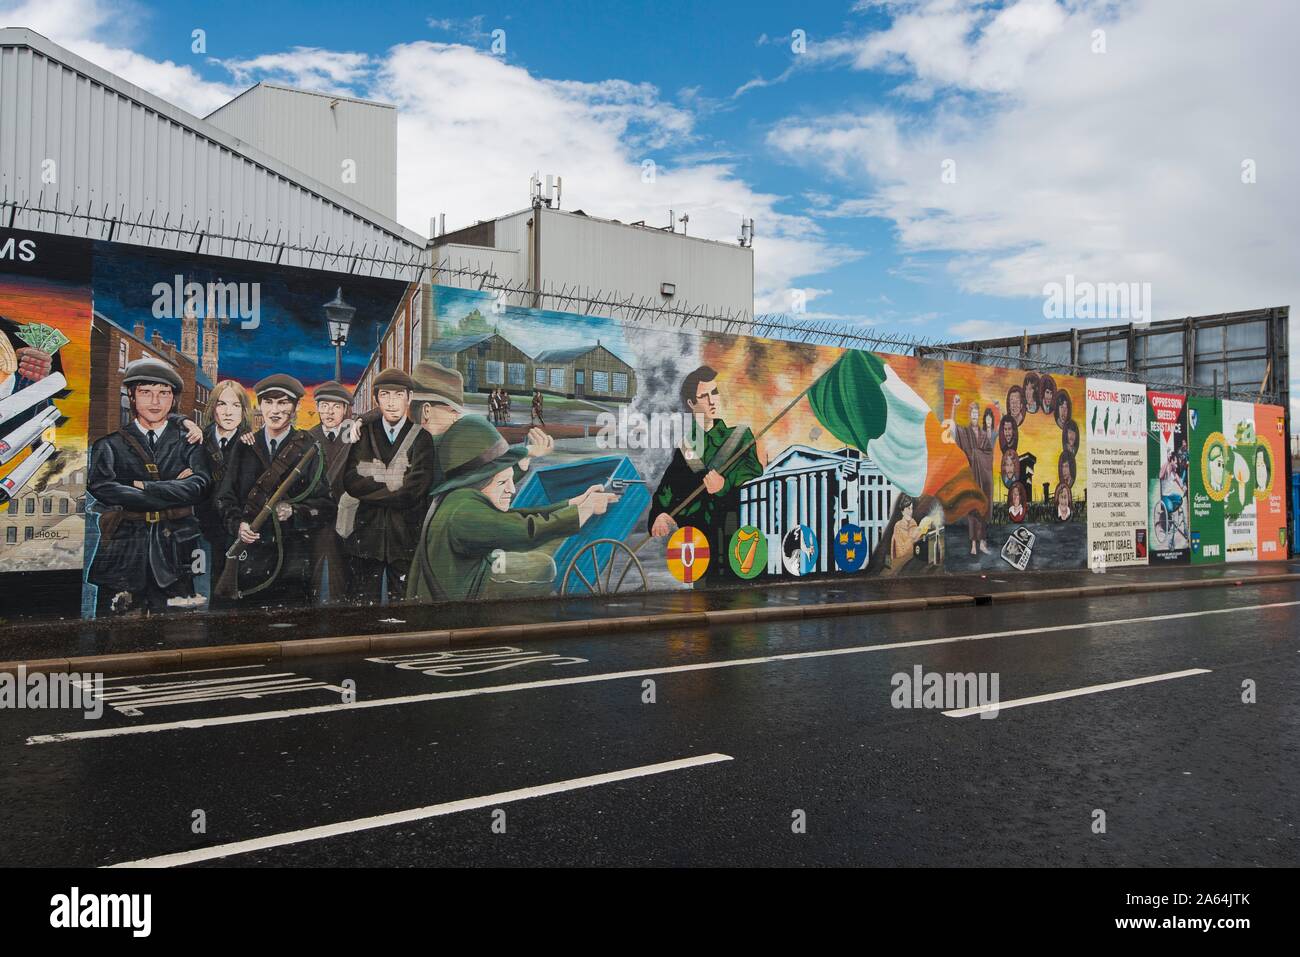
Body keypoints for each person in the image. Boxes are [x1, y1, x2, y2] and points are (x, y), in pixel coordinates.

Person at [407, 416, 617, 602]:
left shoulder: (461, 497)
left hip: (456, 588)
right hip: (458, 602)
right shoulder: (465, 512)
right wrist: (583, 511)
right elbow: (526, 530)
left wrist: (573, 503)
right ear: (479, 482)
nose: (512, 489)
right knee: (543, 566)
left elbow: (518, 516)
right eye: (503, 482)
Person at [86, 358, 211, 616]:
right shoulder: (108, 446)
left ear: (173, 399)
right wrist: (173, 489)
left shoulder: (188, 442)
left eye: (163, 393)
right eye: (146, 392)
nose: (155, 402)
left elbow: (199, 486)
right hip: (125, 550)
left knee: (178, 633)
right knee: (116, 634)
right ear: (131, 396)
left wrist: (144, 487)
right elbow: (103, 488)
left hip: (176, 548)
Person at [216, 374, 334, 605]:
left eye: (283, 402)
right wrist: (237, 524)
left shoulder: (308, 448)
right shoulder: (244, 446)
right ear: (259, 406)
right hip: (250, 558)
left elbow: (327, 505)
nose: (275, 410)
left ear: (296, 407)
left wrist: (295, 511)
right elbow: (225, 497)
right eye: (268, 402)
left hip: (291, 561)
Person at [647, 365, 763, 583]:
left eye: (715, 393)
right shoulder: (686, 449)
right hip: (699, 552)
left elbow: (754, 472)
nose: (712, 401)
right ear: (691, 404)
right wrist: (661, 514)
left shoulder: (740, 437)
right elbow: (667, 491)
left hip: (738, 545)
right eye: (704, 396)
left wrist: (725, 485)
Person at [342, 368, 437, 603]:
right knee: (363, 608)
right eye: (385, 395)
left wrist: (372, 485)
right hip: (366, 537)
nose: (391, 402)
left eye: (398, 395)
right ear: (376, 399)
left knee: (403, 609)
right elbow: (352, 481)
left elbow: (414, 490)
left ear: (409, 398)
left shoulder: (422, 438)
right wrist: (394, 483)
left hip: (404, 538)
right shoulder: (365, 434)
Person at [197, 380, 252, 585]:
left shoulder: (251, 444)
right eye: (222, 404)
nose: (229, 412)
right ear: (213, 408)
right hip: (202, 527)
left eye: (236, 405)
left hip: (234, 527)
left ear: (243, 410)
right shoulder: (198, 440)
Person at [307, 380, 356, 600]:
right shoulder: (308, 437)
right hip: (317, 517)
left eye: (336, 406)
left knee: (344, 574)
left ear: (345, 409)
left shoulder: (353, 434)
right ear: (317, 408)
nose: (329, 412)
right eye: (324, 405)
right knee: (312, 571)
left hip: (348, 517)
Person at [950, 395, 994, 556]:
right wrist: (954, 407)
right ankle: (973, 544)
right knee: (972, 509)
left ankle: (983, 542)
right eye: (972, 413)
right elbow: (952, 428)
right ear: (970, 415)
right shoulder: (965, 432)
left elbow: (989, 451)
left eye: (977, 413)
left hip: (984, 477)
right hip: (972, 478)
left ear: (979, 415)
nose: (975, 416)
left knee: (983, 508)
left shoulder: (983, 434)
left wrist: (989, 428)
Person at [889, 496, 930, 569]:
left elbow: (918, 545)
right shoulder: (898, 527)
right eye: (908, 508)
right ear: (902, 511)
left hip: (913, 560)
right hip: (901, 564)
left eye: (911, 508)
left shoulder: (913, 522)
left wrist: (923, 530)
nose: (910, 511)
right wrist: (912, 537)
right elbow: (901, 553)